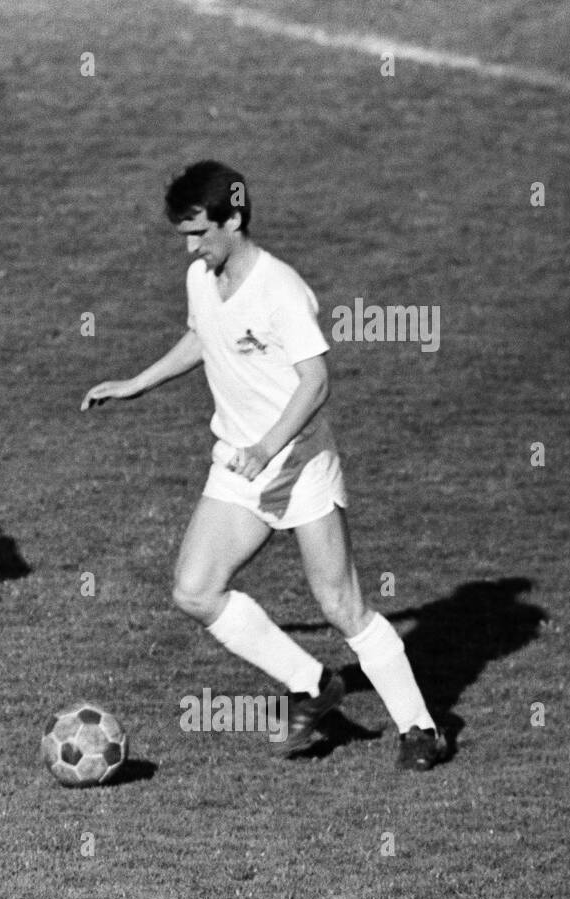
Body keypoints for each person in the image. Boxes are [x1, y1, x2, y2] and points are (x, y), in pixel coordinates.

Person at [81, 161, 447, 770]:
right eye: (186, 237)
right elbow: (205, 336)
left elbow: (315, 381)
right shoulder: (203, 277)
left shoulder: (280, 288)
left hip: (298, 464)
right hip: (240, 464)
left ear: (235, 218)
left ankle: (421, 728)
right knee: (195, 591)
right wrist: (136, 383)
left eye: (201, 233)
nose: (194, 248)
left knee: (342, 605)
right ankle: (312, 684)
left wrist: (267, 447)